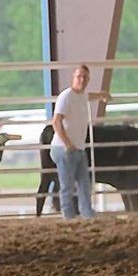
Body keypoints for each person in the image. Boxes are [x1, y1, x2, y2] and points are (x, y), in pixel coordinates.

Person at [49, 65, 111, 219]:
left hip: (76, 148)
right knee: (68, 185)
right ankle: (69, 215)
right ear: (73, 78)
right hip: (65, 148)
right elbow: (56, 122)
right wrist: (67, 143)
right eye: (79, 76)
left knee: (84, 184)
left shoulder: (80, 95)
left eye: (85, 77)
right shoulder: (66, 96)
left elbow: (88, 96)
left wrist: (101, 95)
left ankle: (86, 213)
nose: (82, 80)